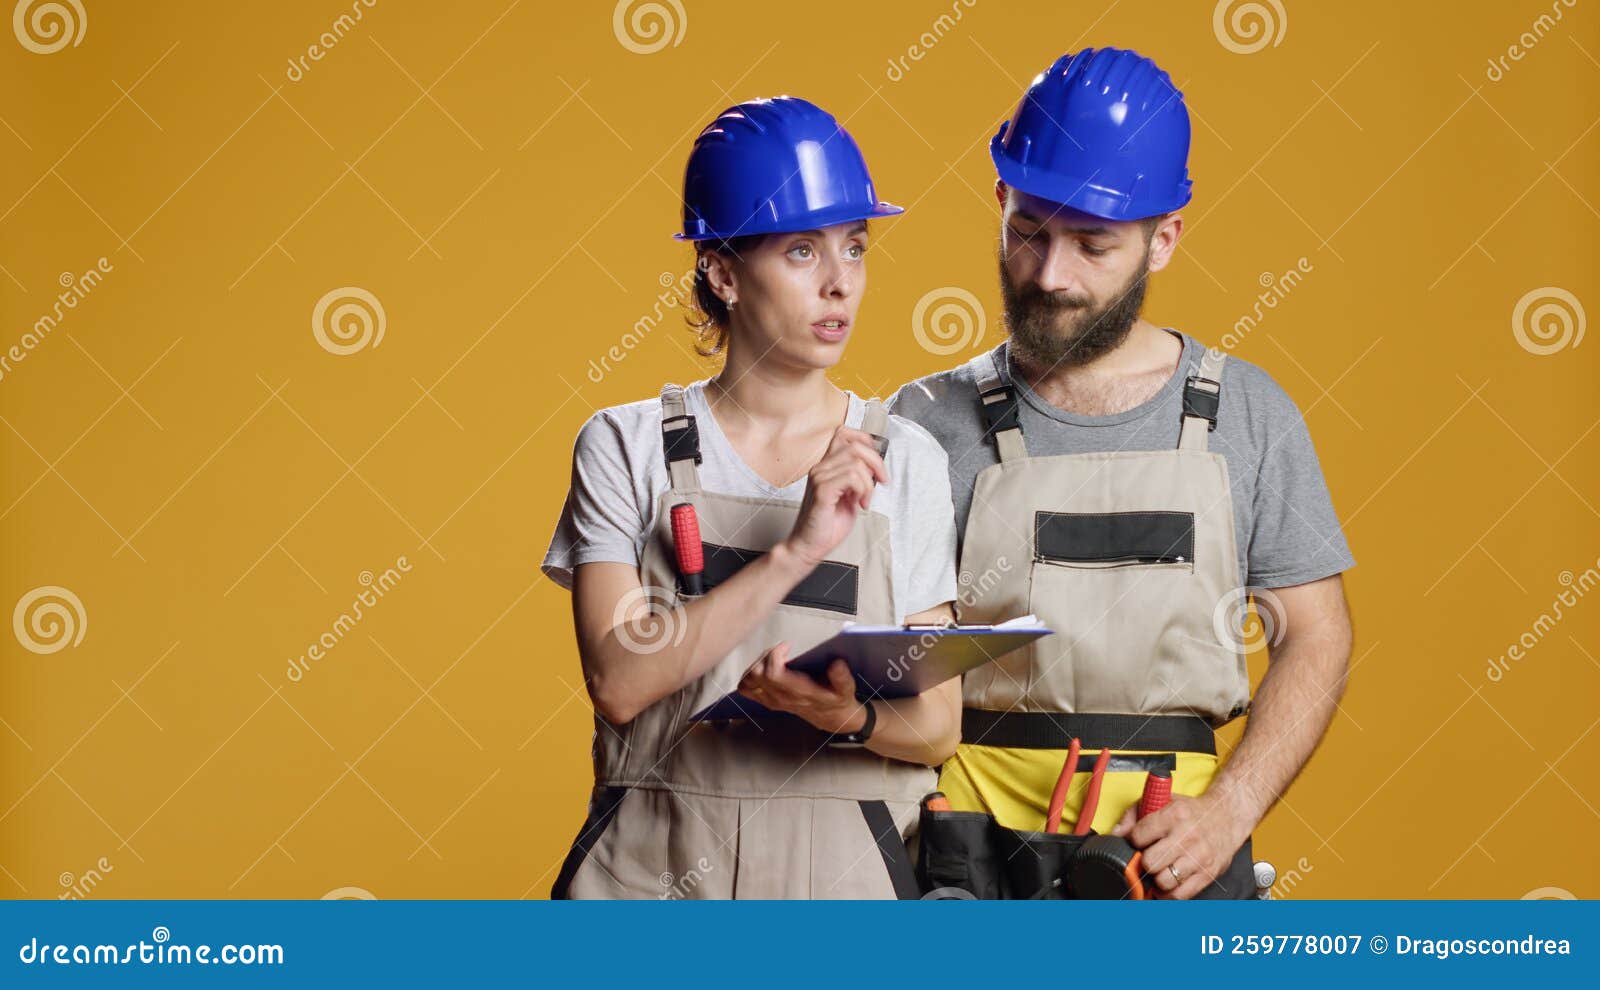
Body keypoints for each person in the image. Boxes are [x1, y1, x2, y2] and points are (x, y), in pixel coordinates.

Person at [891, 48, 1356, 899]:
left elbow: (1315, 637)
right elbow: (880, 670)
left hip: (1166, 865)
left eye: (1092, 244)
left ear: (1164, 238)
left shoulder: (1245, 412)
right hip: (962, 862)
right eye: (1029, 229)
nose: (1049, 274)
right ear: (1000, 200)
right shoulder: (926, 420)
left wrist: (1227, 813)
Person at [542, 96, 962, 899]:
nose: (841, 283)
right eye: (803, 251)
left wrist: (844, 717)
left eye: (855, 247)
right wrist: (796, 550)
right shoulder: (623, 445)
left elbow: (939, 725)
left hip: (847, 889)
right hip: (650, 879)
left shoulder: (906, 459)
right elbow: (620, 682)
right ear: (724, 272)